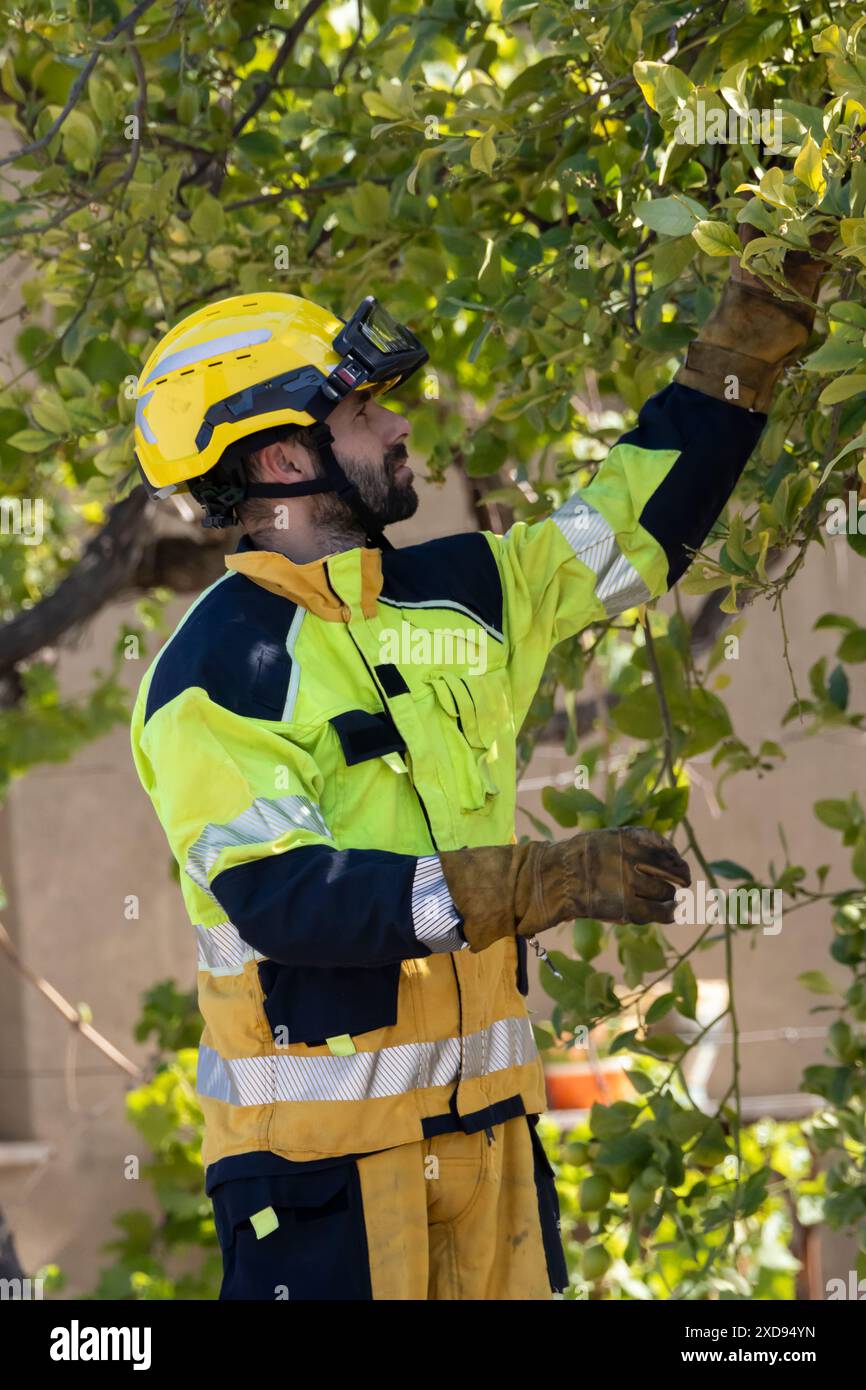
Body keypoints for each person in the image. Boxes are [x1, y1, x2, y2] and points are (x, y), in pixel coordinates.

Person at [130, 237, 826, 1300]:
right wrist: (535, 881)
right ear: (282, 459)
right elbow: (285, 897)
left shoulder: (464, 591)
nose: (399, 422)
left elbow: (634, 522)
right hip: (322, 1181)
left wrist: (749, 341)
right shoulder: (217, 672)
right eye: (364, 411)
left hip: (494, 1143)